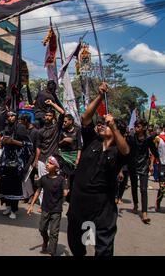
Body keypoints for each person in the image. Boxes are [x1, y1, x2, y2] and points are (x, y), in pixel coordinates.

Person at [67, 82, 130, 257]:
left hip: (102, 209)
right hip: (79, 206)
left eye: (106, 124)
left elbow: (126, 150)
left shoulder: (118, 151)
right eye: (102, 123)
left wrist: (114, 127)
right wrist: (100, 96)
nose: (102, 124)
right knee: (77, 243)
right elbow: (86, 118)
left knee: (103, 248)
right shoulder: (91, 140)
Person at [28, 156, 69, 256]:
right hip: (45, 209)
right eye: (47, 162)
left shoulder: (61, 180)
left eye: (50, 163)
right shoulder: (43, 179)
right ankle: (45, 240)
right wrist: (31, 205)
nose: (47, 164)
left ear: (56, 167)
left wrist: (66, 191)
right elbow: (38, 191)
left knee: (54, 233)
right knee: (42, 229)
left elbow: (65, 192)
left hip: (56, 210)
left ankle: (52, 252)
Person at [0, 111, 32, 219]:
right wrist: (2, 141)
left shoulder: (21, 128)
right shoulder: (6, 127)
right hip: (6, 160)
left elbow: (28, 144)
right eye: (9, 116)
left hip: (17, 162)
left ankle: (13, 210)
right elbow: (1, 138)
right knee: (5, 184)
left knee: (14, 186)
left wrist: (13, 142)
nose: (11, 117)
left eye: (13, 115)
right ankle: (7, 206)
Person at [126, 119, 160, 224]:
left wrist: (153, 163)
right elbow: (126, 150)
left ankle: (144, 213)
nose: (136, 127)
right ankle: (136, 204)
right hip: (132, 165)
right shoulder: (131, 138)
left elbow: (154, 151)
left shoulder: (149, 139)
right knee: (134, 186)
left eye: (138, 126)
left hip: (144, 166)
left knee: (144, 189)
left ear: (144, 128)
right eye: (135, 126)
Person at [33, 100, 65, 205]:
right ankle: (44, 205)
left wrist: (52, 104)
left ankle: (54, 203)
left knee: (55, 183)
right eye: (46, 115)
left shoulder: (56, 127)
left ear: (53, 117)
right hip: (42, 160)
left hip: (54, 160)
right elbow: (38, 147)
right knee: (43, 184)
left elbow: (63, 112)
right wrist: (36, 160)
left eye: (50, 115)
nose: (47, 117)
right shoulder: (40, 131)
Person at [58, 114, 82, 201]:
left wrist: (78, 158)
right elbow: (58, 144)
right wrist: (64, 140)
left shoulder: (77, 130)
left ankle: (70, 196)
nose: (64, 123)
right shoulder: (62, 131)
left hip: (74, 155)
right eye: (63, 121)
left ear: (71, 121)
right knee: (62, 175)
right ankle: (60, 193)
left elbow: (79, 145)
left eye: (65, 121)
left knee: (73, 176)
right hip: (63, 155)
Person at [154, 123, 165, 212]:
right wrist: (151, 164)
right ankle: (158, 202)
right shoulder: (158, 138)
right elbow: (153, 151)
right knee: (162, 186)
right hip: (162, 165)